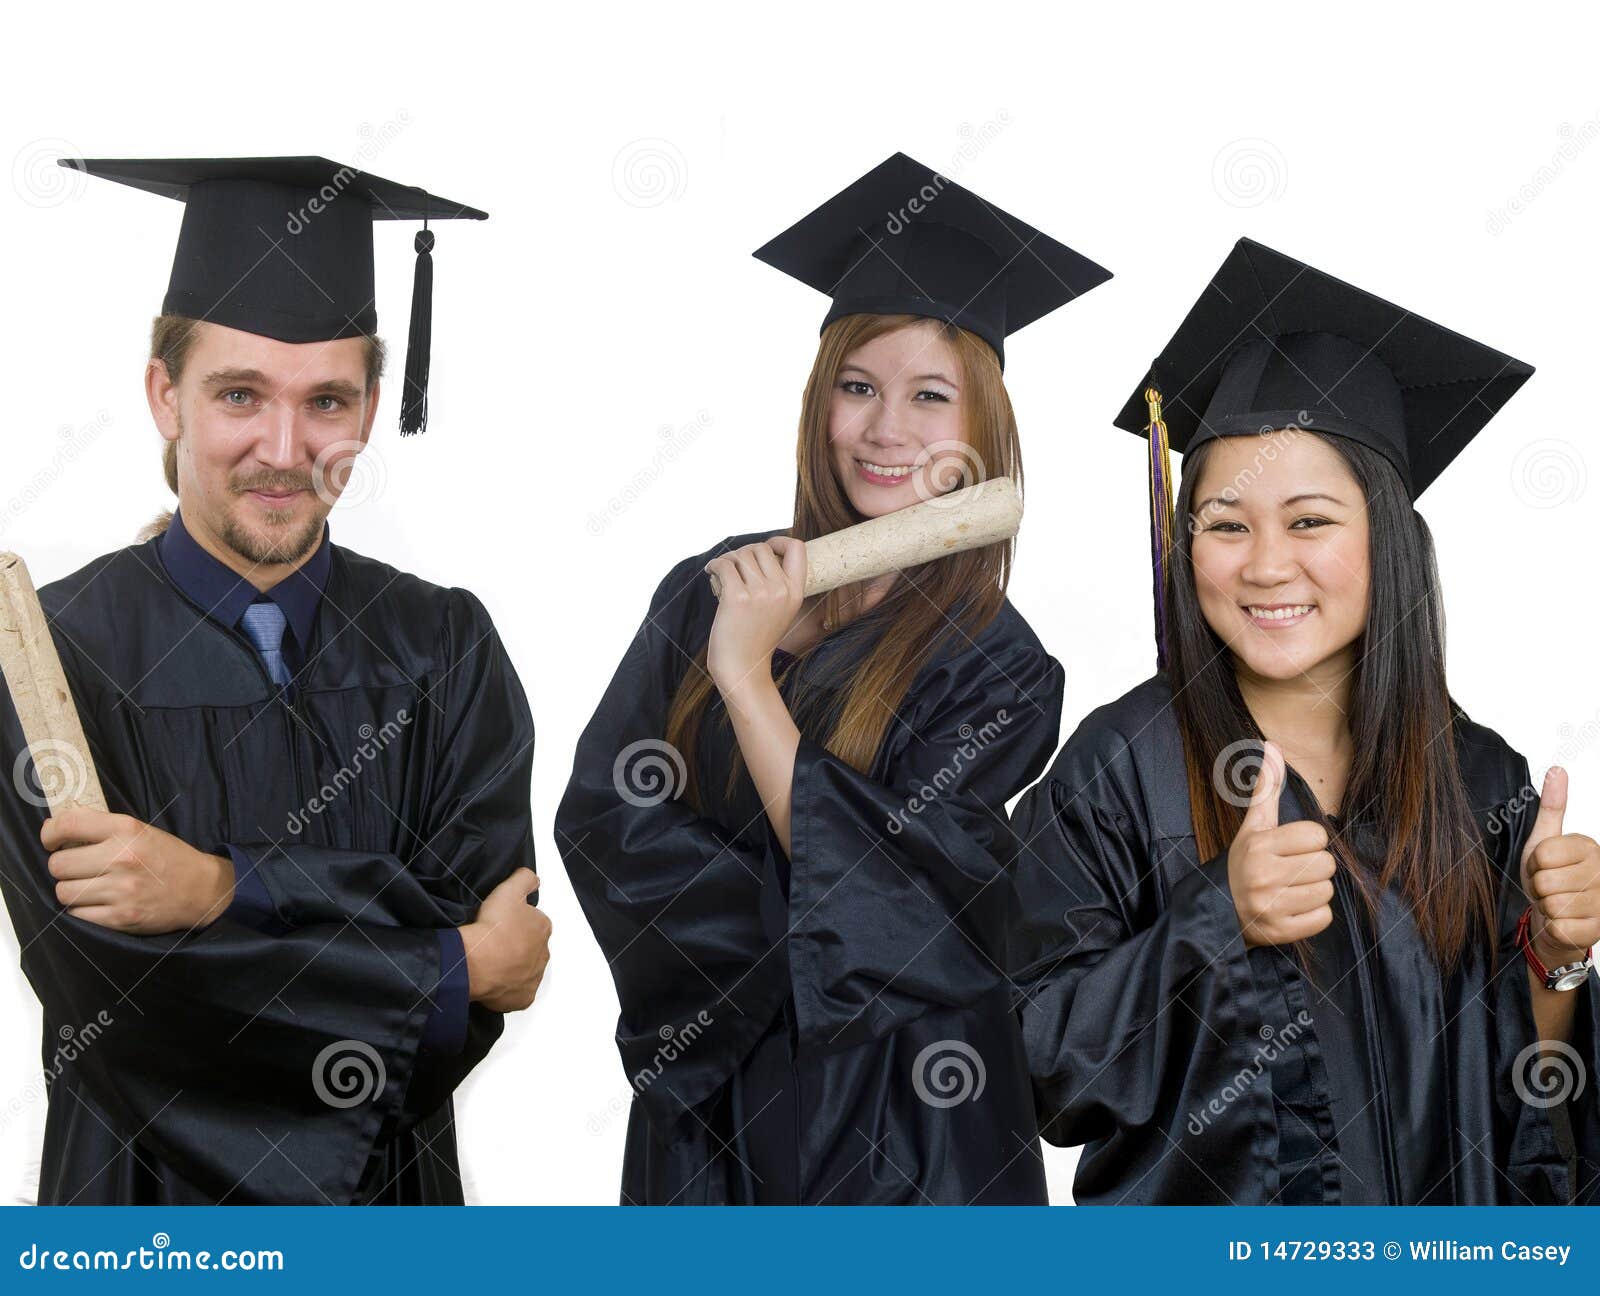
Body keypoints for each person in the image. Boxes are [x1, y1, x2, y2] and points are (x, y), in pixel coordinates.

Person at [556, 153, 1110, 1204]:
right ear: (820, 404)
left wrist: (745, 678)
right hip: (711, 1107)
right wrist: (793, 932)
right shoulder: (710, 589)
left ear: (980, 432)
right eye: (857, 388)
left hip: (913, 1134)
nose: (885, 429)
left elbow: (910, 905)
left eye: (929, 396)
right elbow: (608, 825)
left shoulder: (998, 664)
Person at [0, 156, 551, 1205]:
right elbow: (116, 996)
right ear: (166, 395)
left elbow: (483, 952)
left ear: (372, 409)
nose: (285, 449)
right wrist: (446, 965)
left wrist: (219, 888)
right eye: (240, 395)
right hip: (139, 1218)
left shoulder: (443, 645)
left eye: (326, 400)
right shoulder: (47, 655)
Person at [1008, 238, 1599, 1204]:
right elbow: (1035, 1075)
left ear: (1387, 537)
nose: (1266, 564)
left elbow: (1528, 1110)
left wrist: (1558, 957)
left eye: (1311, 520)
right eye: (1225, 524)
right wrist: (1215, 919)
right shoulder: (1121, 770)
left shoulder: (1482, 781)